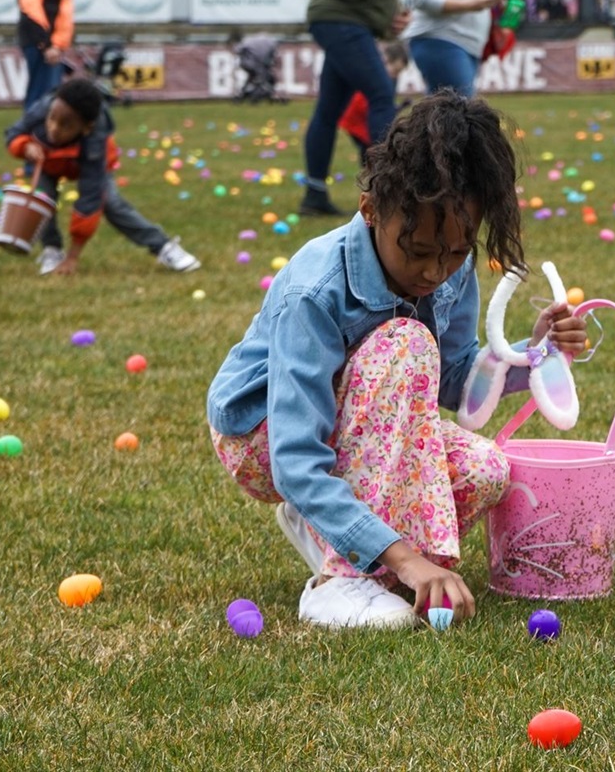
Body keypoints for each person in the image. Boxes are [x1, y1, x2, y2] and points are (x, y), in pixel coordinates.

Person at [207, 92, 589, 630]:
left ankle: (333, 530)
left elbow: (453, 381)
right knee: (405, 343)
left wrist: (536, 354)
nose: (436, 272)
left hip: (355, 429)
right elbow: (295, 456)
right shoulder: (315, 289)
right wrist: (411, 560)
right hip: (263, 439)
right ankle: (340, 579)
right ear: (370, 210)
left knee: (484, 470)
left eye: (455, 253)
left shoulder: (452, 270)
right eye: (419, 250)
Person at [3, 78, 201, 276]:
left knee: (112, 203)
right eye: (52, 119)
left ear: (86, 127)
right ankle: (51, 250)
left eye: (66, 125)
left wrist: (74, 256)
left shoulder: (96, 137)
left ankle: (163, 247)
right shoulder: (43, 107)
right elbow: (13, 133)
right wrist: (24, 145)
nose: (53, 128)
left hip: (89, 162)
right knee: (42, 199)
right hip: (46, 160)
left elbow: (90, 197)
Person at [299, 0, 415, 218]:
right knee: (382, 95)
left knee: (328, 111)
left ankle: (315, 194)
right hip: (341, 21)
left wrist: (390, 19)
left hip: (346, 21)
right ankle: (388, 192)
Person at [401, 0, 503, 97]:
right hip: (440, 38)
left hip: (471, 44)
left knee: (442, 108)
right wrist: (467, 4)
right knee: (460, 106)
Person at [338, 42, 410, 158]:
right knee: (371, 149)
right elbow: (367, 105)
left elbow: (383, 109)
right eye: (395, 70)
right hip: (358, 124)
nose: (396, 75)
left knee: (372, 148)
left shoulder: (385, 82)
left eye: (399, 73)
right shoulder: (374, 82)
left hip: (362, 123)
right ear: (385, 60)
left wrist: (398, 107)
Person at [17, 0, 73, 112]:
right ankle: (31, 132)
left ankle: (44, 131)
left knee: (51, 96)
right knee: (42, 97)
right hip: (43, 44)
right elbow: (31, 8)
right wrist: (45, 44)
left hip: (53, 44)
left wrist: (58, 44)